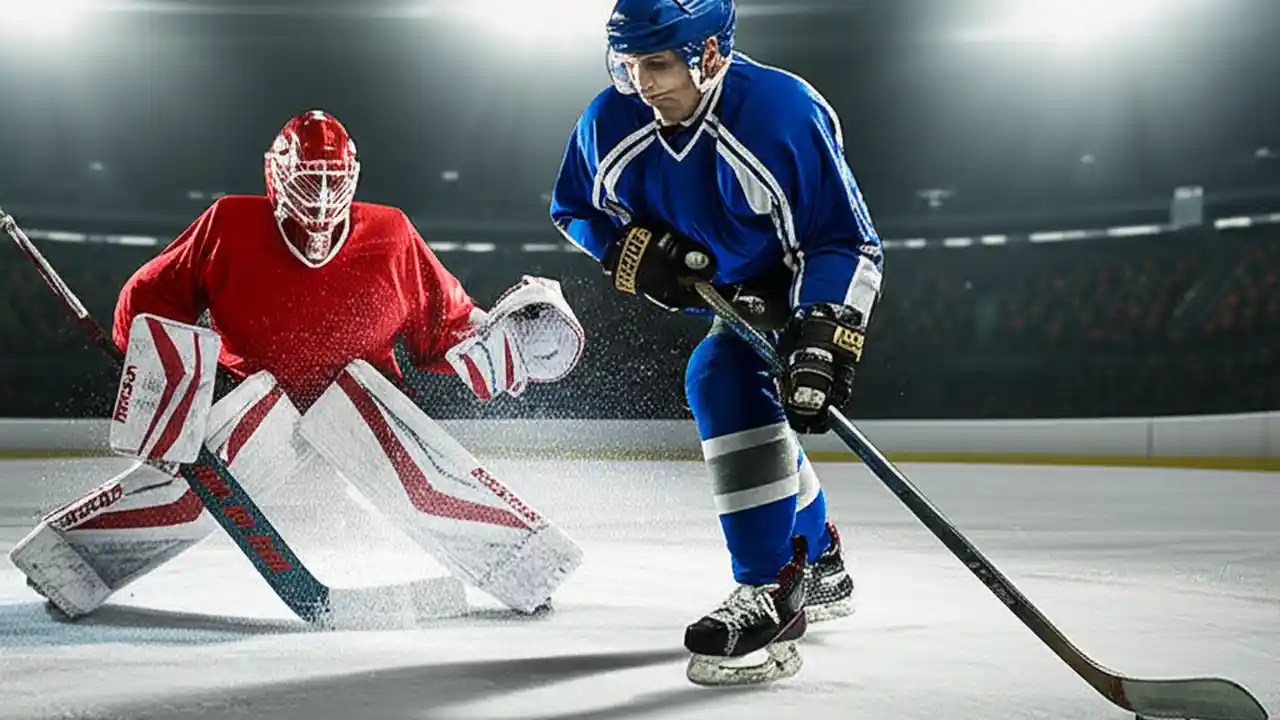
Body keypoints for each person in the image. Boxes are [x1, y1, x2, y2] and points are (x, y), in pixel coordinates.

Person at [11, 110, 585, 620]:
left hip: (359, 402)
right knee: (183, 494)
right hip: (260, 403)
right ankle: (63, 562)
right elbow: (151, 294)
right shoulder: (229, 225)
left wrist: (500, 342)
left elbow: (445, 322)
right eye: (309, 177)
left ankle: (526, 563)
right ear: (277, 175)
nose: (321, 194)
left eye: (333, 180)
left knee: (424, 482)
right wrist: (169, 372)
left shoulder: (390, 234)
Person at [550, 0, 884, 684]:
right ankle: (816, 564)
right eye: (631, 62)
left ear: (709, 54)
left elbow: (846, 240)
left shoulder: (782, 116)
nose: (641, 82)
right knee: (735, 389)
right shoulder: (608, 124)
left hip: (799, 279)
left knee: (719, 376)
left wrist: (823, 335)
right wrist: (629, 251)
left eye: (658, 62)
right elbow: (573, 209)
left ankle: (772, 588)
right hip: (728, 283)